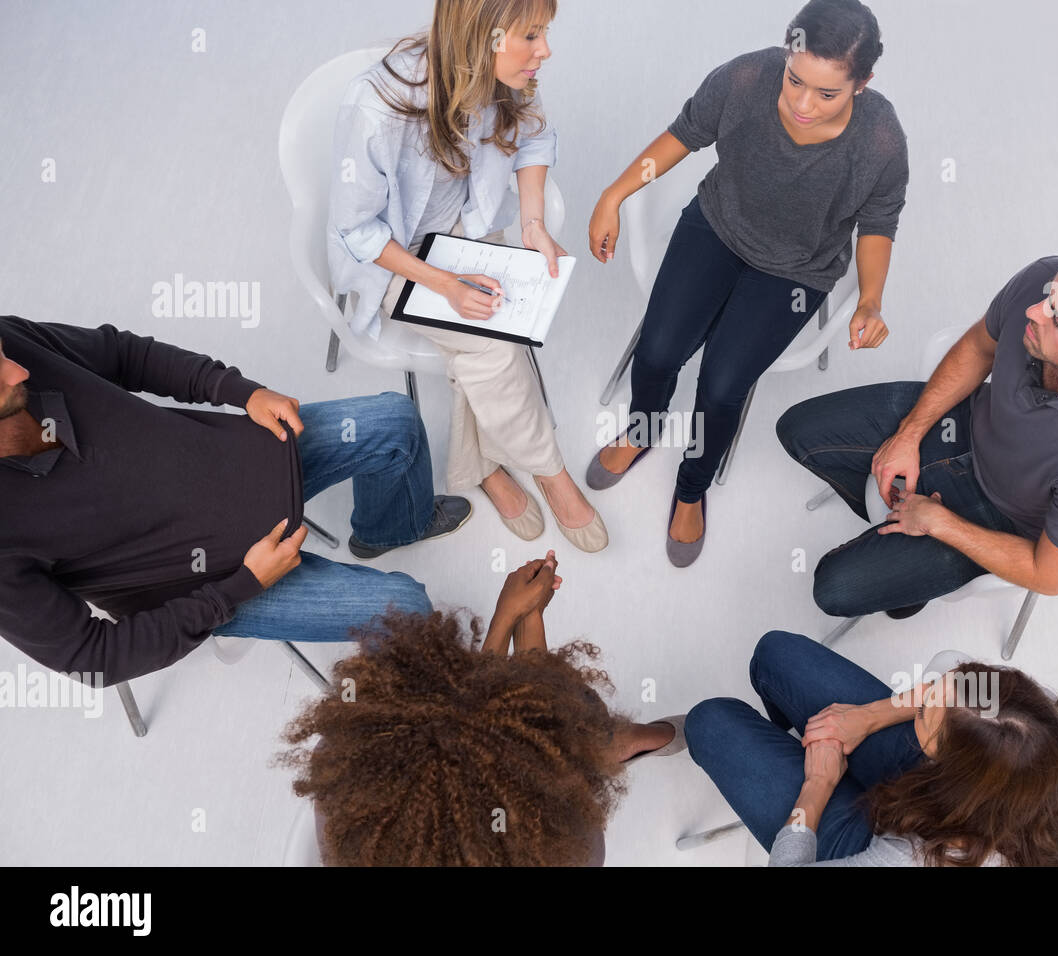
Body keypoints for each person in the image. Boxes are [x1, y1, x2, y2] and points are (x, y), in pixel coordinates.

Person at [586, 0, 907, 567]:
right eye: (795, 79)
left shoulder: (880, 139)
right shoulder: (745, 77)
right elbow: (682, 135)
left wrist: (872, 299)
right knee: (658, 352)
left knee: (722, 386)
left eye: (826, 94)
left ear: (863, 84)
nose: (802, 103)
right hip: (717, 225)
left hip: (796, 269)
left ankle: (692, 485)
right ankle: (641, 430)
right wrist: (615, 193)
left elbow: (878, 223)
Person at [0, 315, 468, 687]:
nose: (18, 369)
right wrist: (239, 588)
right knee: (407, 607)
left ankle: (388, 529)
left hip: (250, 459)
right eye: (0, 381)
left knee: (396, 421)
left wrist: (237, 390)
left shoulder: (8, 341)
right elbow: (93, 659)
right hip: (219, 580)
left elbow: (124, 355)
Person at [776, 237, 1058, 620]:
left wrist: (940, 523)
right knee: (797, 430)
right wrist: (909, 434)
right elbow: (979, 346)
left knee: (833, 589)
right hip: (968, 420)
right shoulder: (1045, 279)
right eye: (1051, 295)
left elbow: (1050, 575)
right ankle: (896, 546)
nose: (1035, 310)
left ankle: (903, 578)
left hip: (999, 519)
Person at [327, 0, 608, 553]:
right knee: (496, 349)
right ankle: (550, 471)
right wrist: (443, 284)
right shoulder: (376, 108)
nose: (545, 50)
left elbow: (532, 136)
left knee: (494, 329)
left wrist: (531, 224)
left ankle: (478, 468)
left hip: (463, 228)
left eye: (545, 33)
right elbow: (357, 231)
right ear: (487, 36)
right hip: (395, 257)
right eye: (532, 36)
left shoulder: (508, 73)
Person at [282, 551, 687, 866]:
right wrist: (521, 625)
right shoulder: (569, 850)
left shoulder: (350, 781)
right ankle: (620, 741)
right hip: (548, 765)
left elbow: (474, 721)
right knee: (578, 719)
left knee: (560, 723)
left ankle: (599, 733)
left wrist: (509, 618)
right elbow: (520, 747)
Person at [685, 631, 1058, 866]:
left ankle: (783, 759)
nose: (922, 695)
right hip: (944, 793)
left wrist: (817, 785)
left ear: (947, 765)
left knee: (709, 723)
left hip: (897, 836)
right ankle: (778, 740)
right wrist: (870, 716)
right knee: (775, 651)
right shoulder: (1032, 720)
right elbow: (948, 681)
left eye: (926, 712)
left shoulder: (914, 857)